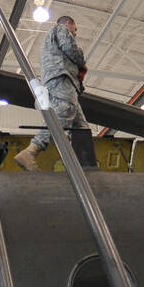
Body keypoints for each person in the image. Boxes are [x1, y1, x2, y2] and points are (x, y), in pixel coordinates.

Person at [14, 15, 89, 171]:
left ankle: (86, 163)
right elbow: (70, 48)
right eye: (75, 30)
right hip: (61, 78)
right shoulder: (60, 28)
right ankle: (31, 151)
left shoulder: (52, 39)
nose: (75, 34)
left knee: (80, 127)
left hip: (65, 81)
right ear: (69, 23)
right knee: (63, 111)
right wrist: (82, 61)